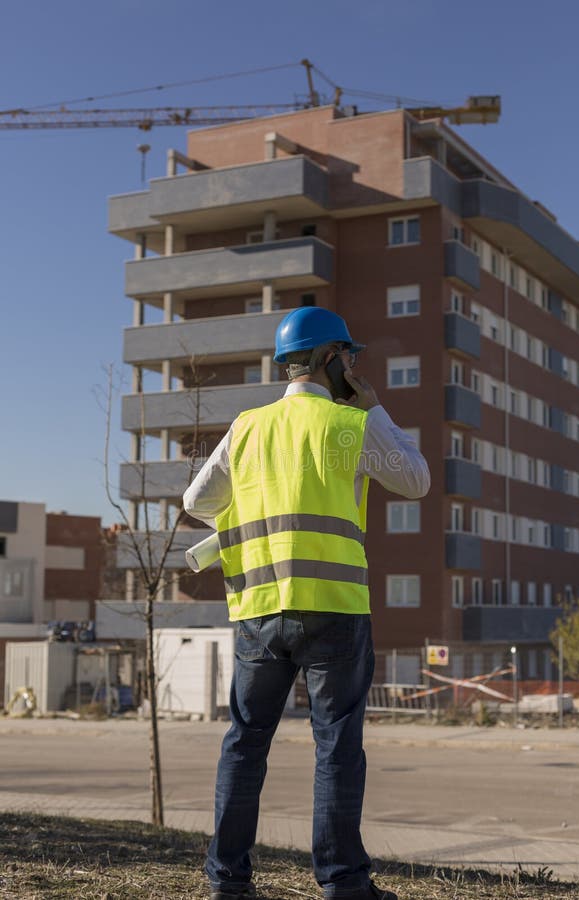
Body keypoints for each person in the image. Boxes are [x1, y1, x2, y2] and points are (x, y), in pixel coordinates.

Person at [183, 306, 430, 900]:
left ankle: (228, 883)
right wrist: (373, 407)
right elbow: (416, 480)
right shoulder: (348, 425)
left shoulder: (247, 427)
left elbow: (197, 501)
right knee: (336, 745)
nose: (355, 365)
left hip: (258, 612)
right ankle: (344, 884)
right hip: (334, 609)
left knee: (245, 742)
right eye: (350, 355)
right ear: (331, 359)